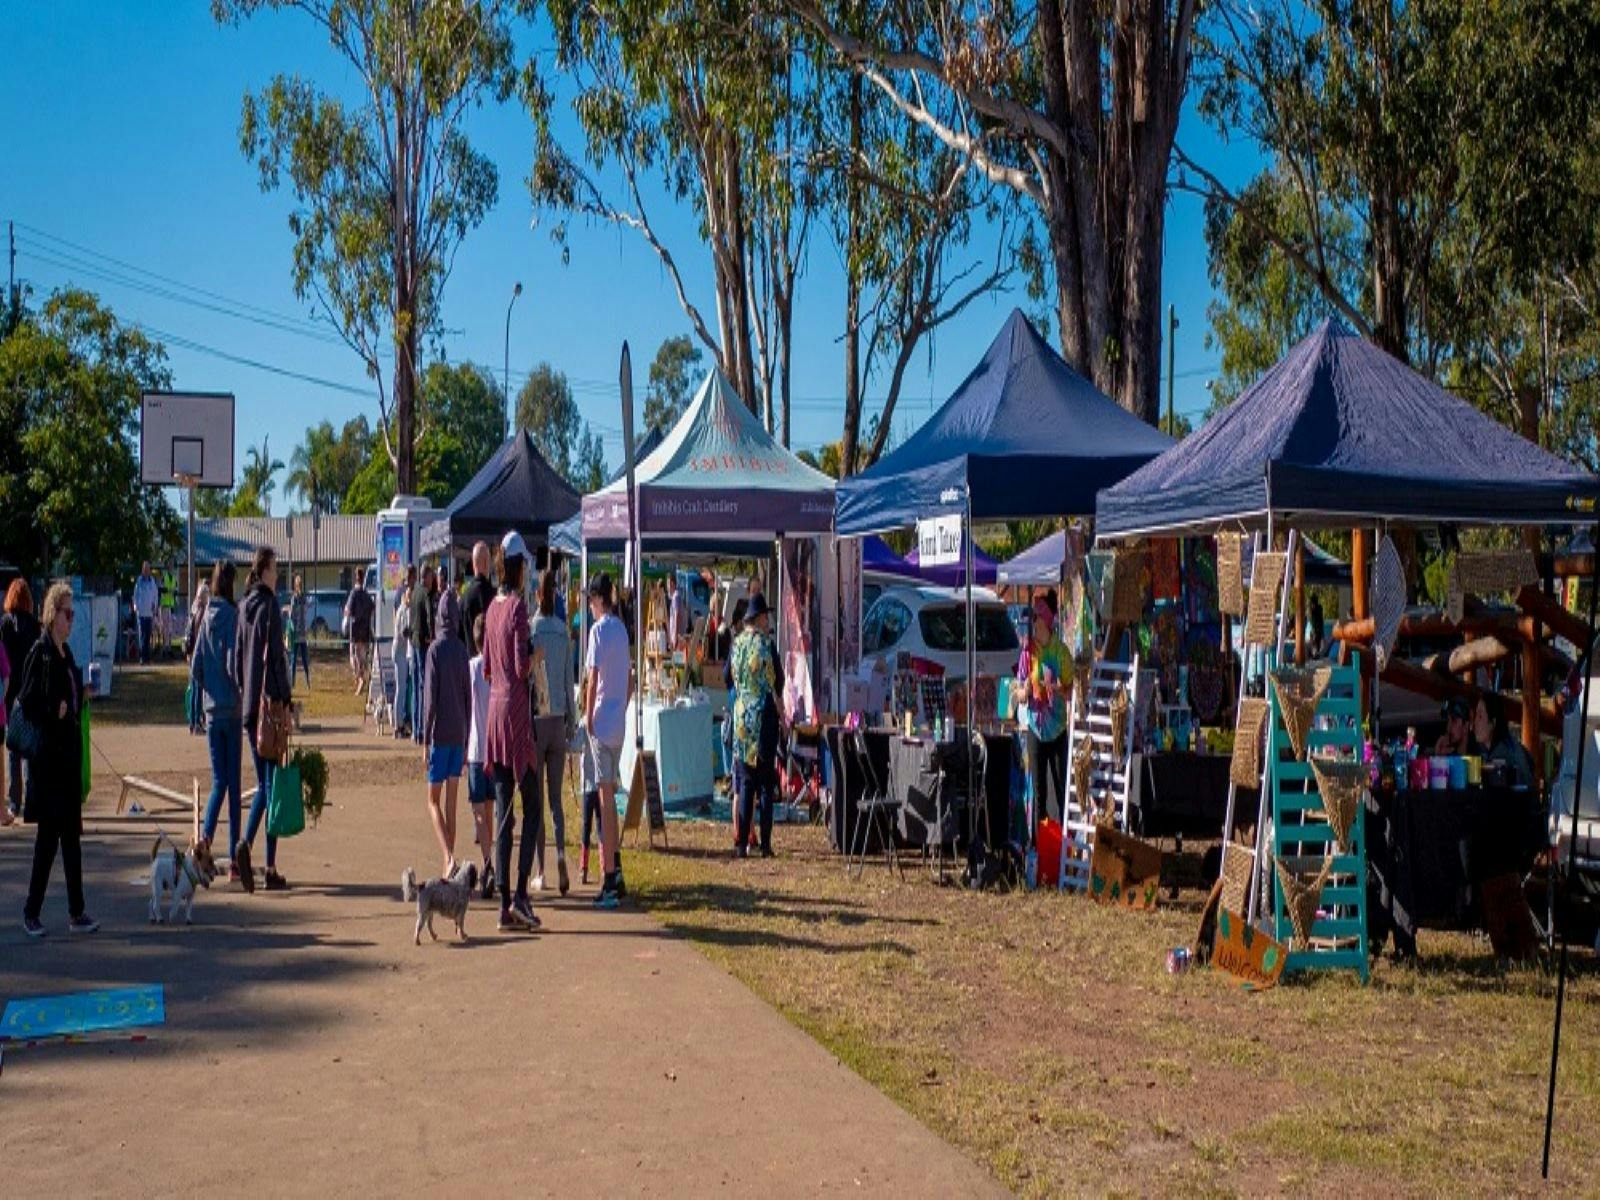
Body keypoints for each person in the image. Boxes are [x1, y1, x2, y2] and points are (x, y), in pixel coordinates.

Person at [19, 582, 97, 936]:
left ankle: (76, 912)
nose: (72, 620)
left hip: (66, 763)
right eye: (67, 613)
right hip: (49, 765)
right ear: (53, 615)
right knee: (47, 842)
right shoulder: (42, 652)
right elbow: (28, 700)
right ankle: (30, 912)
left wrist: (80, 694)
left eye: (73, 614)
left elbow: (68, 701)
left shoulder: (65, 654)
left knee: (71, 843)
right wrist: (55, 707)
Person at [483, 532, 542, 930]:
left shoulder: (491, 608)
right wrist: (536, 656)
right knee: (533, 804)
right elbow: (522, 666)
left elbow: (488, 667)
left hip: (493, 713)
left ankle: (505, 902)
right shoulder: (519, 608)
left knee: (505, 811)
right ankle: (520, 894)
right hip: (517, 716)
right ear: (521, 567)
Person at [237, 545, 292, 893]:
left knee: (264, 784)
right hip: (269, 708)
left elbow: (236, 660)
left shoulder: (243, 607)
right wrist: (285, 702)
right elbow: (276, 661)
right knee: (271, 789)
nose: (278, 574)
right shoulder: (270, 605)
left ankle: (249, 849)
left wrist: (246, 694)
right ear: (265, 571)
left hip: (248, 708)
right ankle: (263, 860)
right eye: (275, 568)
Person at [190, 561, 243, 881]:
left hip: (211, 711)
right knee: (233, 786)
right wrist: (237, 690)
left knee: (218, 781)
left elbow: (195, 666)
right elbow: (232, 662)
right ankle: (233, 856)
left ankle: (204, 842)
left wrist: (209, 691)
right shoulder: (233, 617)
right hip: (232, 711)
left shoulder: (205, 616)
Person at [586, 572, 632, 906]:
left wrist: (589, 716)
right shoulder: (621, 629)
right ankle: (615, 868)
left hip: (602, 720)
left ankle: (610, 875)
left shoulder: (599, 630)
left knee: (604, 799)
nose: (589, 606)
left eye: (591, 599)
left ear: (599, 599)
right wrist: (623, 707)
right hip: (619, 721)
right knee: (610, 796)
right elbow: (629, 679)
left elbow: (592, 677)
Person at [531, 566, 576, 895]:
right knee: (556, 801)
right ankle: (561, 854)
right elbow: (567, 681)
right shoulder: (563, 631)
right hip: (559, 720)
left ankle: (541, 870)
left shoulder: (531, 631)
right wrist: (572, 720)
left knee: (535, 801)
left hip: (536, 720)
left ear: (537, 595)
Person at [729, 593, 783, 858]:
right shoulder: (766, 644)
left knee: (746, 781)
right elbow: (778, 681)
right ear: (761, 618)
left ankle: (741, 844)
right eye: (766, 617)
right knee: (765, 781)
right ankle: (765, 843)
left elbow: (728, 676)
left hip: (742, 717)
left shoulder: (737, 643)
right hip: (763, 715)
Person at [424, 589, 472, 878]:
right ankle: (448, 868)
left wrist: (425, 737)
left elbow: (429, 700)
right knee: (451, 806)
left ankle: (448, 856)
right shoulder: (462, 650)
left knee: (432, 800)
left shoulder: (434, 651)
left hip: (440, 734)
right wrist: (468, 738)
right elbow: (468, 697)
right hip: (459, 734)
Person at [1019, 590, 1068, 828]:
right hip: (1035, 730)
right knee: (1039, 793)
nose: (1033, 624)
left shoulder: (1060, 651)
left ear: (1047, 621)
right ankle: (1038, 852)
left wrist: (1057, 689)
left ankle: (1064, 848)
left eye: (1037, 618)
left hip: (1058, 729)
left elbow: (1072, 691)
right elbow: (1017, 695)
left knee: (1061, 790)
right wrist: (1026, 689)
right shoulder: (1028, 654)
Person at [2, 580, 40, 824]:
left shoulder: (4, 625)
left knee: (13, 747)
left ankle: (14, 802)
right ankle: (32, 804)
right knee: (31, 749)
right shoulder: (34, 627)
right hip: (29, 693)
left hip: (8, 694)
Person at [465, 613, 496, 899]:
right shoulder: (494, 669)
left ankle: (488, 866)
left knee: (479, 815)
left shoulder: (473, 668)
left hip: (476, 749)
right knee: (488, 811)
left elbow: (466, 707)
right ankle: (490, 862)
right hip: (493, 749)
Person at [1470, 696, 1536, 789]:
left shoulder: (1504, 755)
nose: (1475, 722)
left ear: (1493, 723)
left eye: (1480, 716)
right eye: (1476, 715)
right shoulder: (1504, 746)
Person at [410, 564, 437, 745]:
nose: (433, 580)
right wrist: (432, 636)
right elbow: (429, 617)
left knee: (415, 686)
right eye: (432, 577)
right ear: (426, 577)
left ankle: (415, 728)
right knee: (423, 686)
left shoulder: (414, 593)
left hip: (414, 641)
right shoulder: (426, 594)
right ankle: (421, 729)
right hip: (423, 642)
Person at [392, 566, 415, 738]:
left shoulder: (402, 609)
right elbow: (403, 632)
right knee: (400, 689)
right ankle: (398, 724)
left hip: (399, 651)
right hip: (400, 652)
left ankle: (399, 722)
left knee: (402, 688)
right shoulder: (403, 611)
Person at [461, 541, 494, 656]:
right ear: (486, 563)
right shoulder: (493, 596)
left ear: (473, 564)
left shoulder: (464, 597)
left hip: (470, 662)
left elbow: (460, 635)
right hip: (490, 663)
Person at [344, 575, 376, 697]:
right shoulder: (366, 594)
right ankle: (360, 678)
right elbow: (372, 608)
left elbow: (349, 610)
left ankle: (360, 678)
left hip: (356, 630)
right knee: (362, 657)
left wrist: (347, 612)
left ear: (355, 579)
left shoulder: (353, 594)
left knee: (354, 657)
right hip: (365, 630)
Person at [286, 574, 311, 688]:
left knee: (294, 660)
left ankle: (293, 683)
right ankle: (308, 682)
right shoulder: (304, 599)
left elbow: (291, 616)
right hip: (303, 633)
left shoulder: (294, 599)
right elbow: (305, 611)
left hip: (296, 633)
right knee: (305, 660)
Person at [133, 561, 159, 664]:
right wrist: (135, 606)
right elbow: (135, 596)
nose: (146, 571)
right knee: (142, 635)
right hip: (141, 613)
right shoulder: (139, 582)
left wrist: (155, 605)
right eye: (144, 569)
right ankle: (142, 658)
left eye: (148, 569)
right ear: (142, 570)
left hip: (149, 613)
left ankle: (147, 658)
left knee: (148, 635)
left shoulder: (152, 582)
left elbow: (155, 596)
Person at [184, 579, 211, 661]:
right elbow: (197, 630)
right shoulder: (201, 610)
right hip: (195, 647)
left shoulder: (196, 607)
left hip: (192, 646)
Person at [666, 572, 688, 652]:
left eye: (668, 584)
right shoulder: (675, 597)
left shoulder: (676, 597)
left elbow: (677, 616)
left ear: (672, 584)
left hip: (678, 637)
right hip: (677, 636)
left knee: (677, 660)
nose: (667, 587)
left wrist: (675, 636)